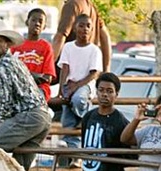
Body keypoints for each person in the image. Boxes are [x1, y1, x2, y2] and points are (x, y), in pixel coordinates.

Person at [0, 19, 52, 171]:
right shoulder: (16, 62)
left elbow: (5, 101)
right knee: (20, 170)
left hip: (29, 116)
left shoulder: (3, 65)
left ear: (7, 45)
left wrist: (0, 127)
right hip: (42, 118)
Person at [57, 14, 102, 149]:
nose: (85, 29)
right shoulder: (68, 47)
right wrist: (61, 90)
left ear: (92, 29)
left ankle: (86, 119)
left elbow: (94, 73)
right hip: (69, 85)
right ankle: (75, 156)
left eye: (88, 26)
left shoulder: (94, 50)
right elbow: (64, 69)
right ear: (75, 28)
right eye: (81, 25)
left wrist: (75, 87)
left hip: (85, 86)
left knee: (78, 99)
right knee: (68, 123)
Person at [10, 8, 56, 103]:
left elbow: (47, 78)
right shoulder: (16, 46)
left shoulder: (46, 47)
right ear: (27, 22)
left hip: (39, 90)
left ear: (44, 26)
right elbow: (10, 72)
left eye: (40, 21)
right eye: (34, 20)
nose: (37, 24)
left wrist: (24, 74)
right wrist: (34, 75)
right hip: (18, 88)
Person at [52, 0, 111, 73]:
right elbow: (105, 36)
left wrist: (48, 66)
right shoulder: (91, 7)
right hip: (88, 71)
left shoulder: (72, 5)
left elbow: (59, 38)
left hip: (71, 71)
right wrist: (106, 69)